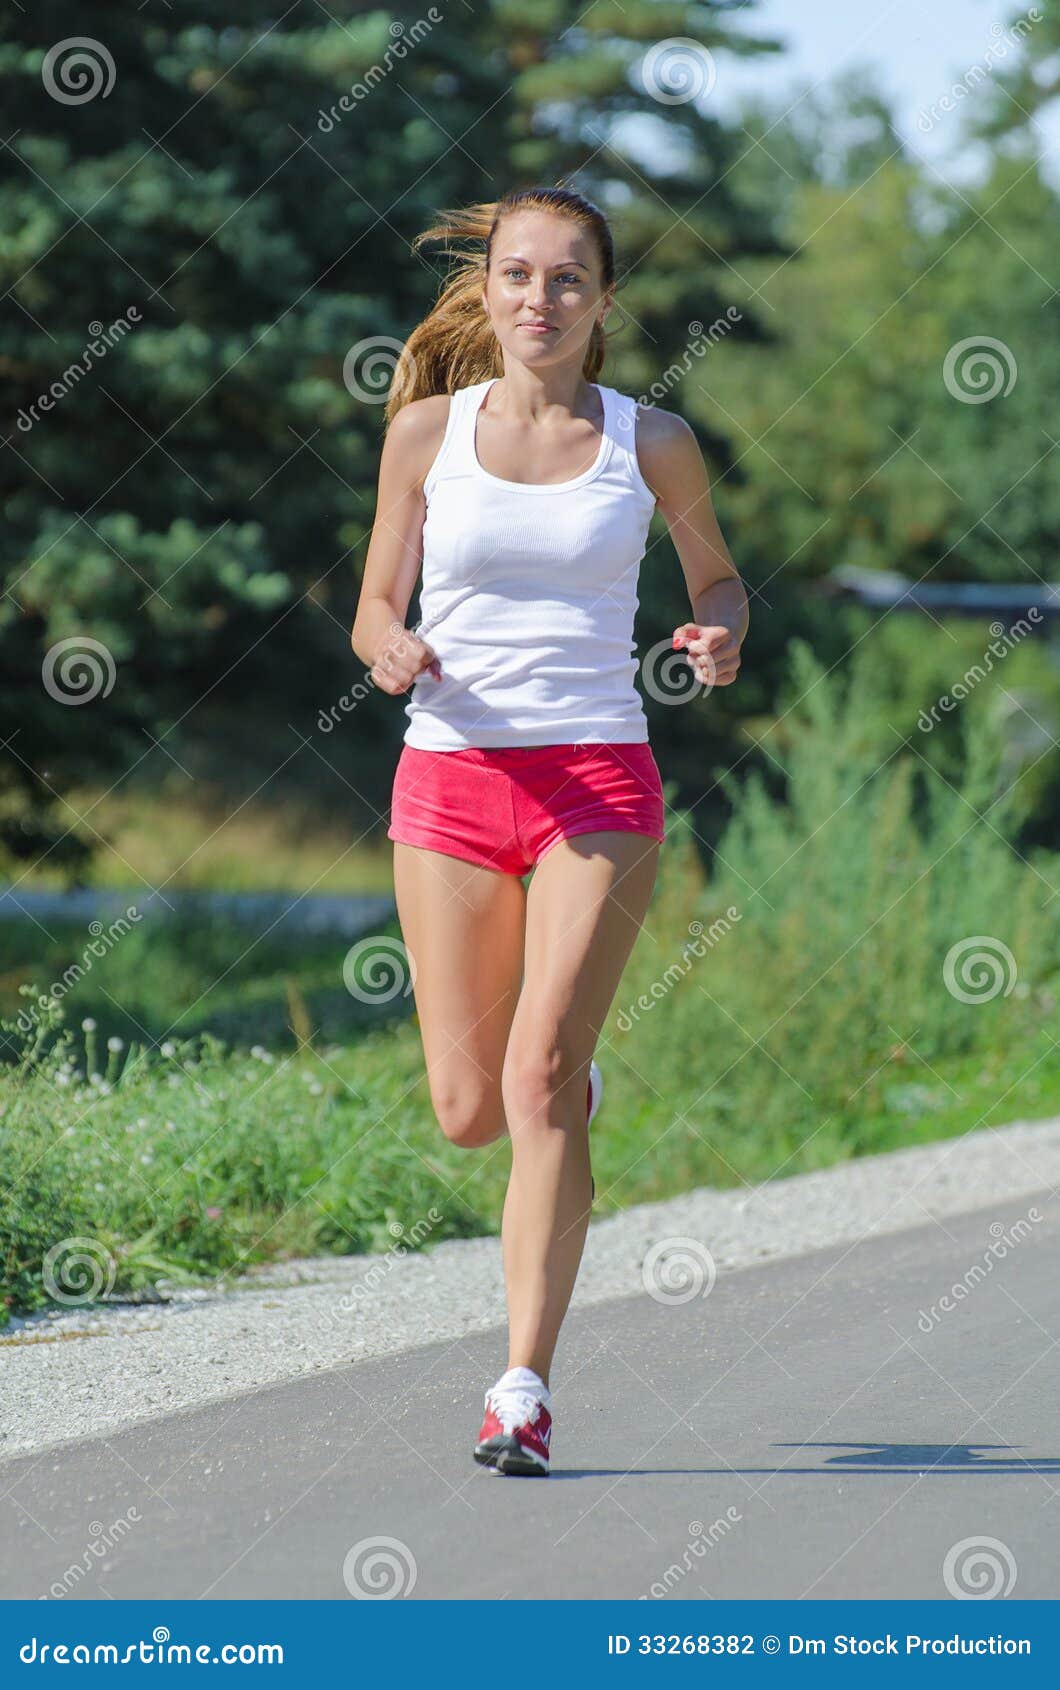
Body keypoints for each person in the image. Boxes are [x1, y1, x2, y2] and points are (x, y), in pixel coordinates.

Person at [351, 183, 748, 1477]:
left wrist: (719, 632)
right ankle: (566, 1083)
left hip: (598, 783)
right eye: (518, 274)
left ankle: (521, 1388)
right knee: (471, 1109)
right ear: (488, 289)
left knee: (533, 1082)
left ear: (603, 299)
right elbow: (373, 601)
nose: (541, 297)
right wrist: (390, 646)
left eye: (568, 277)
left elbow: (719, 578)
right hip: (450, 780)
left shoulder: (654, 441)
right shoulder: (426, 433)